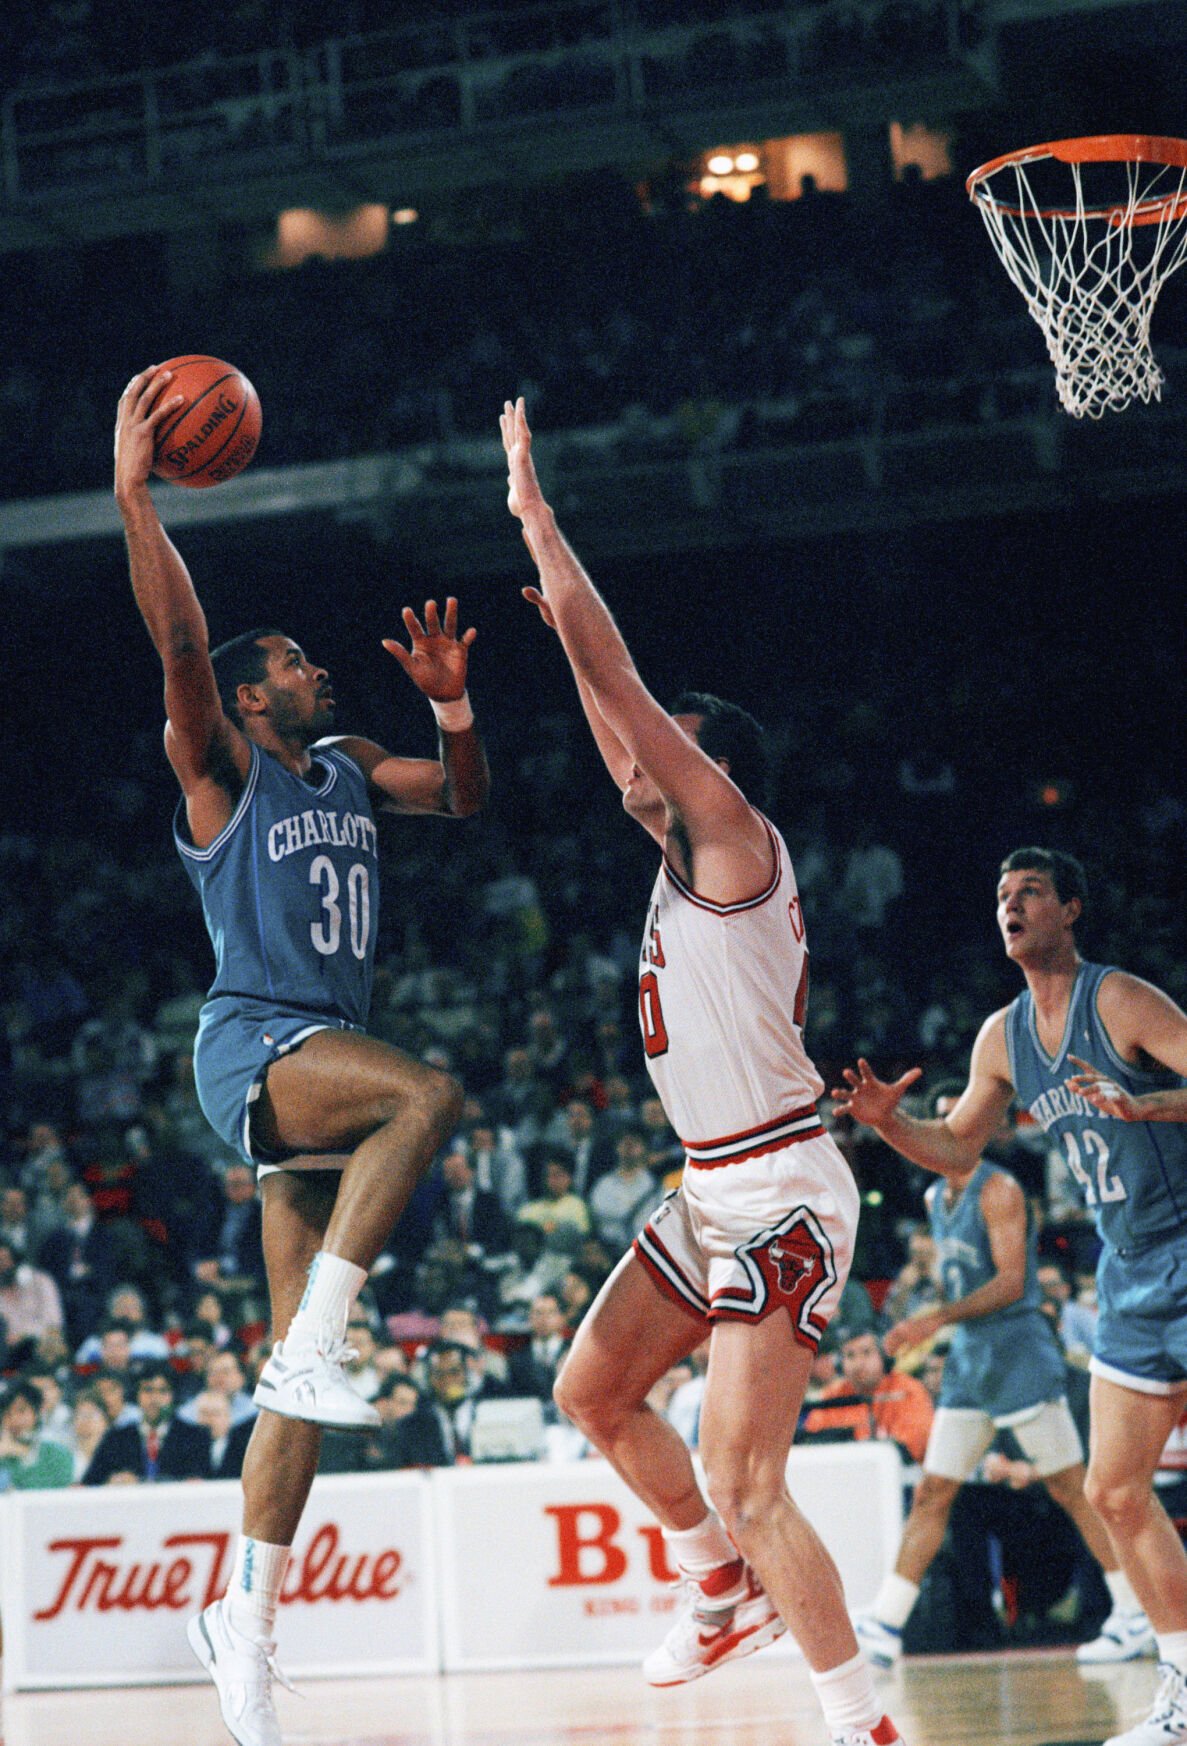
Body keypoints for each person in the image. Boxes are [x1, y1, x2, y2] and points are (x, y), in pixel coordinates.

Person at [500, 397, 903, 1746]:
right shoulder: (677, 855)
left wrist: (542, 527)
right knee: (589, 1392)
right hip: (709, 1184)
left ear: (714, 769)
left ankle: (860, 1722)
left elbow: (621, 698)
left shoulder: (733, 839)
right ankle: (714, 1580)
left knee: (748, 1471)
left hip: (784, 1182)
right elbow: (615, 727)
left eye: (670, 745)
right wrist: (571, 652)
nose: (637, 759)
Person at [114, 364, 490, 1746]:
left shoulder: (343, 760)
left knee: (293, 1376)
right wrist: (132, 493)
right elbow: (177, 647)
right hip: (256, 1044)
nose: (316, 669)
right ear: (247, 691)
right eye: (291, 663)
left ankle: (246, 1627)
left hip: (312, 1059)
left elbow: (459, 797)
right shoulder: (222, 767)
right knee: (430, 1093)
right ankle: (319, 1346)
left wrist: (451, 710)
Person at [831, 847, 1187, 1746]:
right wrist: (887, 1127)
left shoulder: (1122, 1001)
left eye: (1029, 891)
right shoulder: (1001, 1036)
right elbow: (953, 1147)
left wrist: (1155, 1107)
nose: (1010, 905)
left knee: (1101, 1485)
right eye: (999, 895)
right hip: (1127, 1268)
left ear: (1071, 908)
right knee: (1112, 1490)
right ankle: (1180, 1695)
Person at [849, 1087, 1143, 1669]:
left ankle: (1135, 1614)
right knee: (936, 1491)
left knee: (1072, 1489)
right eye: (937, 1120)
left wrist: (934, 1318)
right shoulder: (937, 1195)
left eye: (955, 1121)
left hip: (1018, 1355)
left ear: (979, 1129)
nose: (943, 1130)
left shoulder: (1001, 1190)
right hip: (971, 1364)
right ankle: (885, 1625)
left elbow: (1010, 1283)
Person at [800, 1327, 934, 1463]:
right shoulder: (833, 1396)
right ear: (841, 1364)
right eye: (850, 1355)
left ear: (883, 1357)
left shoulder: (907, 1390)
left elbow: (916, 1444)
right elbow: (813, 1443)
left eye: (866, 1353)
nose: (858, 1363)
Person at [83, 1362, 212, 1484]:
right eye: (148, 1390)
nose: (155, 1398)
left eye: (163, 1391)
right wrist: (113, 1481)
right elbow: (91, 1483)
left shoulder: (196, 1436)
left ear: (172, 1396)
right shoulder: (116, 1438)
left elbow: (205, 1482)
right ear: (137, 1395)